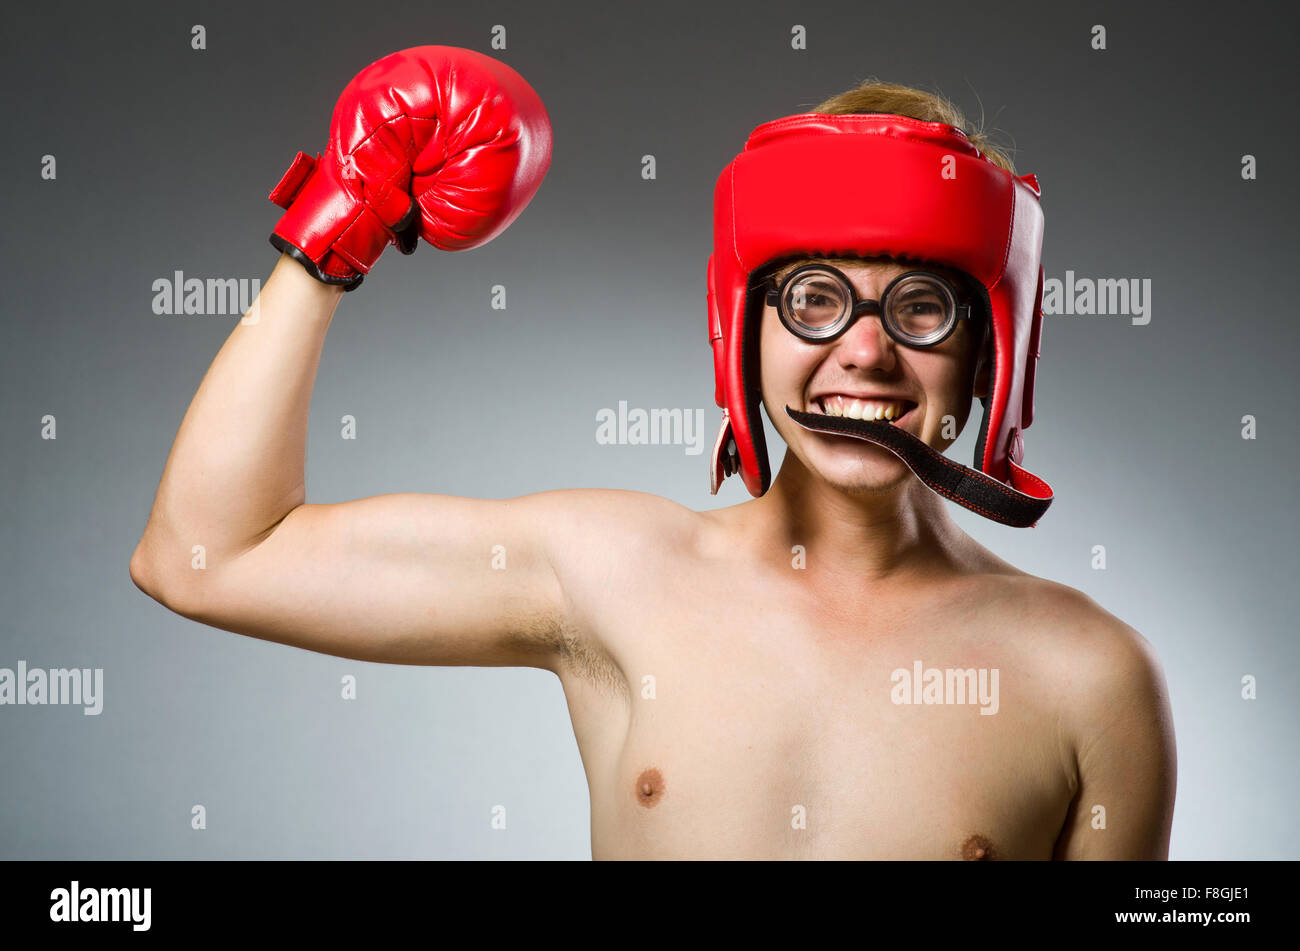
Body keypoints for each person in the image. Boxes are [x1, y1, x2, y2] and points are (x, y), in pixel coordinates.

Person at [130, 46, 1176, 859]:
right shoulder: (608, 572)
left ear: (989, 347)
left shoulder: (1089, 676)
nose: (864, 352)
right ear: (744, 326)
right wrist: (337, 227)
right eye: (813, 299)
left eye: (920, 306)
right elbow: (208, 556)